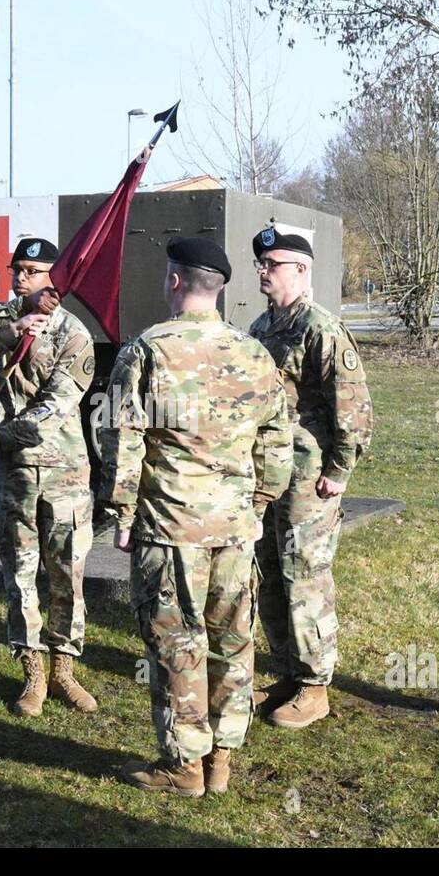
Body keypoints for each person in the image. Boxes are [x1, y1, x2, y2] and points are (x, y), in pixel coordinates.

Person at [100, 236, 292, 797]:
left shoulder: (148, 350)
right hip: (235, 528)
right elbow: (278, 441)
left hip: (171, 527)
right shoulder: (255, 353)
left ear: (175, 281)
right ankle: (223, 759)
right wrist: (258, 502)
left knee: (176, 642)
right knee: (232, 641)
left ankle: (184, 763)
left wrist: (123, 511)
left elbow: (123, 439)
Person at [248, 227, 373, 730]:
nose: (263, 270)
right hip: (267, 475)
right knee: (271, 573)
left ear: (301, 270)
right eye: (260, 263)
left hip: (309, 477)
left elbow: (356, 410)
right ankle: (286, 672)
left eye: (272, 263)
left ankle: (316, 684)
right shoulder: (260, 328)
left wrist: (338, 473)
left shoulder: (320, 329)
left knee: (306, 576)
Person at [0, 238, 98, 716]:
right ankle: (33, 674)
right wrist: (13, 323)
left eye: (32, 271)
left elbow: (60, 400)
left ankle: (65, 669)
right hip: (14, 476)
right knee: (19, 574)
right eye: (16, 269)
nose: (20, 277)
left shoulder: (73, 334)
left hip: (62, 473)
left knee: (67, 574)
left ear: (55, 278)